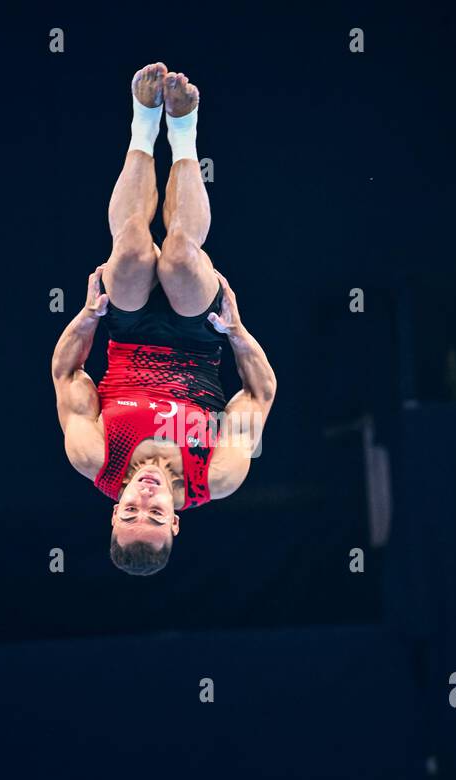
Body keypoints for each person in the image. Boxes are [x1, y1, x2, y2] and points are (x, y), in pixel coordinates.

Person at [51, 63, 277, 575]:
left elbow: (67, 374)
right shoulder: (217, 476)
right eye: (154, 514)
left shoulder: (95, 459)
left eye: (131, 510)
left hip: (127, 335)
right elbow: (259, 395)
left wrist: (89, 317)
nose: (145, 499)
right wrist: (237, 333)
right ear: (174, 522)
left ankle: (143, 123)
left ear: (115, 511)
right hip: (199, 339)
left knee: (130, 247)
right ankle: (184, 131)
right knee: (177, 254)